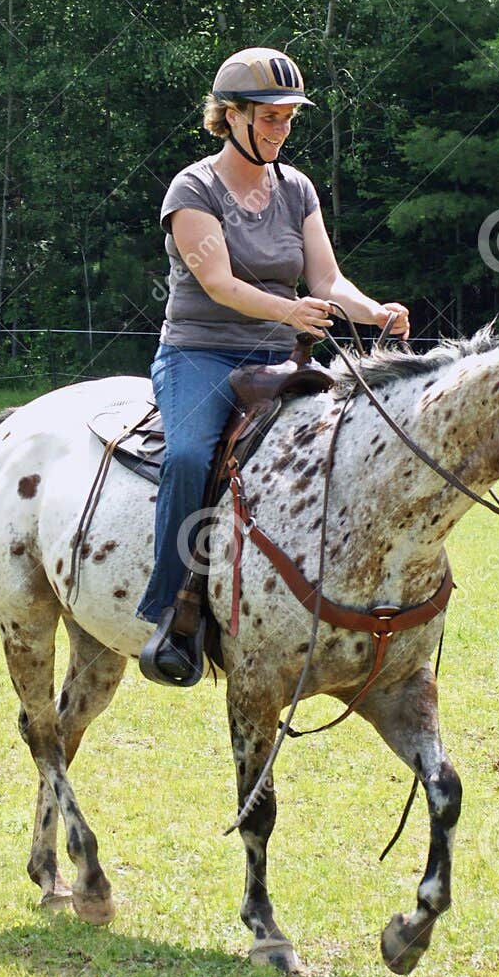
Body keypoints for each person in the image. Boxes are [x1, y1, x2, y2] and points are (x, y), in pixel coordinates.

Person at [137, 48, 410, 686]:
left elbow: (328, 279)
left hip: (279, 359)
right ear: (228, 116)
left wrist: (373, 313)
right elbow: (220, 283)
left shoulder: (297, 189)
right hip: (200, 353)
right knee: (186, 457)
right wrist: (291, 314)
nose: (282, 130)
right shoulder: (192, 189)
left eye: (289, 119)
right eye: (270, 118)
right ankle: (171, 614)